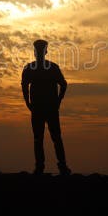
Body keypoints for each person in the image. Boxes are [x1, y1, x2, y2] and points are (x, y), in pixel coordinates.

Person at [21, 39, 70, 175]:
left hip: (42, 108)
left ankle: (45, 167)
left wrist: (28, 103)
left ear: (36, 52)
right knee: (51, 138)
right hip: (45, 108)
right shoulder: (51, 67)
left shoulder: (31, 68)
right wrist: (58, 101)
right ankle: (57, 167)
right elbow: (64, 84)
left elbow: (24, 86)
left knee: (44, 138)